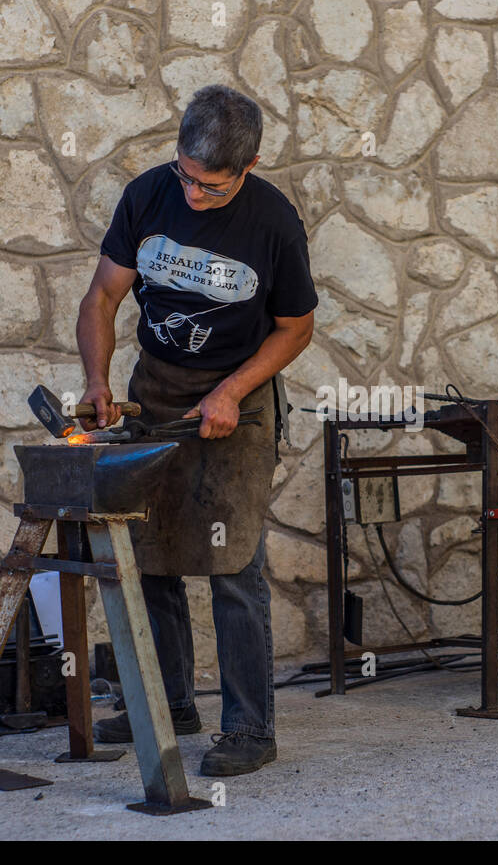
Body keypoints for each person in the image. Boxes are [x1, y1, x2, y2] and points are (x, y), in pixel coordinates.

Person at [75, 85, 317, 776]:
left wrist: (232, 390)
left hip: (235, 402)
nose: (192, 196)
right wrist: (98, 380)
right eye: (185, 175)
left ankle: (249, 728)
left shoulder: (273, 222)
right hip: (155, 392)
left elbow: (296, 327)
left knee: (234, 563)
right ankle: (169, 703)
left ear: (250, 165)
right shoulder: (149, 195)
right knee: (149, 554)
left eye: (210, 188)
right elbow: (102, 296)